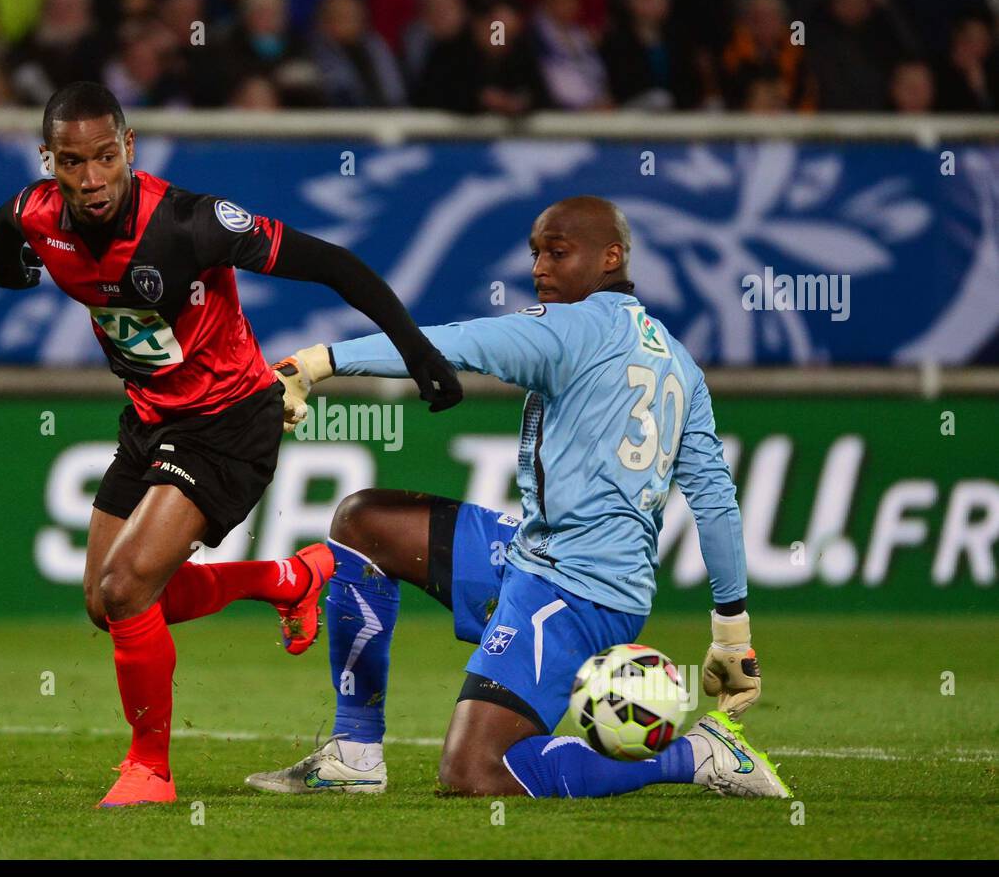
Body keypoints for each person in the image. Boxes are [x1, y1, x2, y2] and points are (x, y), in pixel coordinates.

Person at [0, 82, 461, 807]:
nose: (91, 180)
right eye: (73, 163)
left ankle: (150, 770)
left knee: (125, 586)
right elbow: (6, 232)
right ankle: (286, 580)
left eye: (105, 158)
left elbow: (332, 261)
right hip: (148, 423)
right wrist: (7, 266)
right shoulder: (36, 211)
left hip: (230, 422)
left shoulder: (189, 224)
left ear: (129, 148)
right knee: (103, 602)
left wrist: (416, 349)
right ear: (49, 161)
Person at [248, 196, 790, 800]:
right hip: (537, 554)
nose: (539, 268)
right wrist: (731, 636)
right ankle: (354, 752)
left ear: (611, 257)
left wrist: (320, 362)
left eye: (559, 252)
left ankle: (697, 754)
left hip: (577, 594)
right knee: (364, 522)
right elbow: (714, 499)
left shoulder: (574, 329)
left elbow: (463, 343)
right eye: (536, 253)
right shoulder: (680, 363)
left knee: (477, 772)